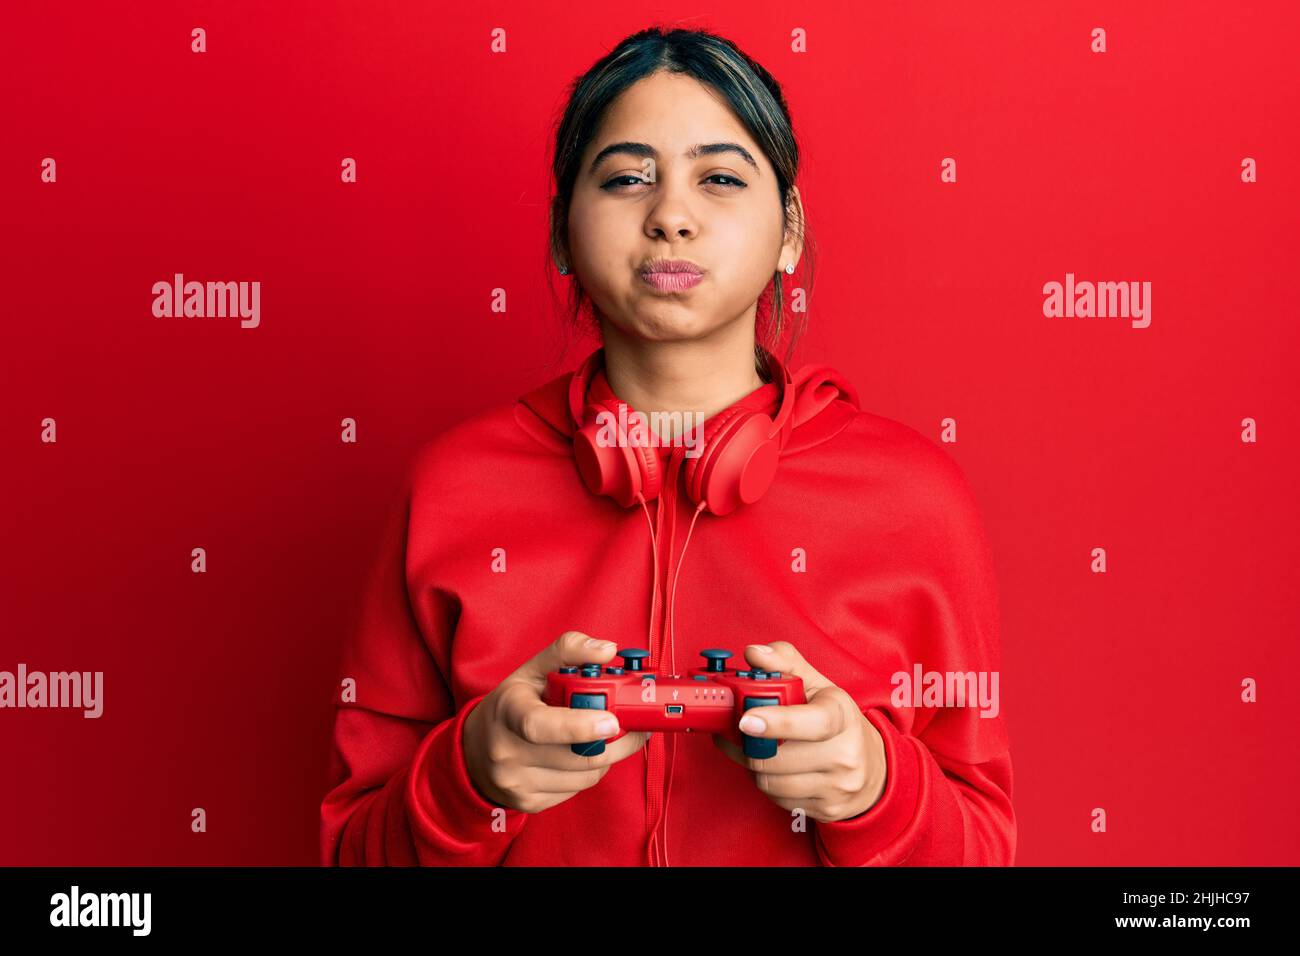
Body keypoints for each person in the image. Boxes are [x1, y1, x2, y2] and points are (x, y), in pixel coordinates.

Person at [319, 26, 1015, 867]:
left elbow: (984, 853)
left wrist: (875, 790)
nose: (671, 217)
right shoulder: (450, 489)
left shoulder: (914, 497)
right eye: (625, 179)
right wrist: (465, 779)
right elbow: (352, 854)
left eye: (720, 178)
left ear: (790, 230)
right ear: (559, 233)